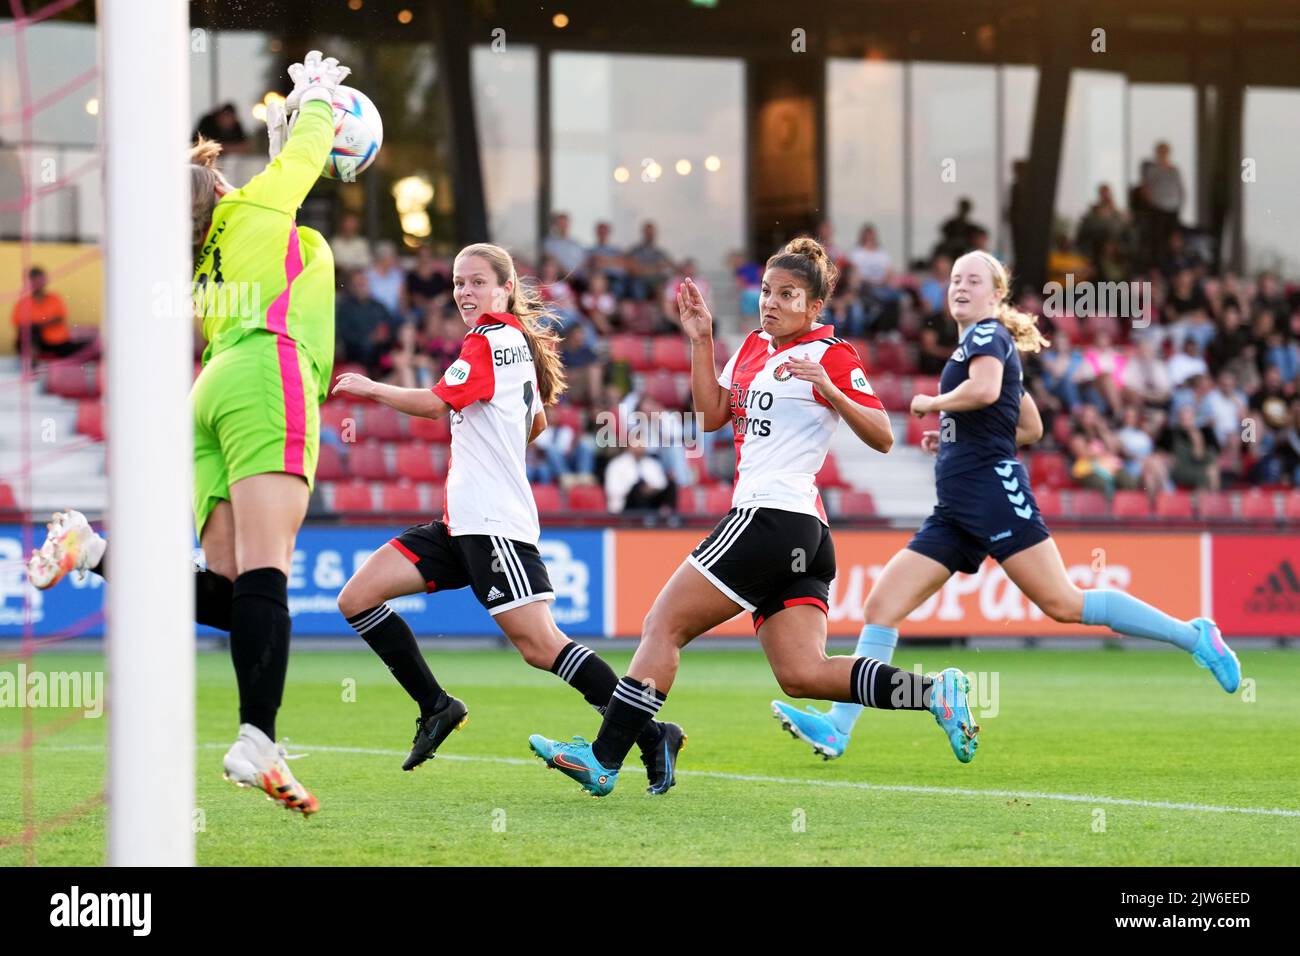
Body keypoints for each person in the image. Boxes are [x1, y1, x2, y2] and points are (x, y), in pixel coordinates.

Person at [528, 238, 980, 799]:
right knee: (803, 674)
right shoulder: (750, 348)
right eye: (767, 291)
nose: (771, 302)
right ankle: (932, 692)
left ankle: (603, 759)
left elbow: (884, 436)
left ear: (815, 306)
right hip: (800, 535)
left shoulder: (831, 353)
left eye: (788, 294)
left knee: (662, 626)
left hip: (771, 516)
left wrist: (831, 388)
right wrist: (701, 342)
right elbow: (713, 415)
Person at [28, 51, 353, 814]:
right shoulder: (254, 213)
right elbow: (309, 155)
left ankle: (95, 551)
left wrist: (277, 149)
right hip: (266, 376)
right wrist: (315, 99)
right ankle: (257, 736)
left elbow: (277, 211)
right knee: (269, 574)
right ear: (218, 189)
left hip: (208, 394)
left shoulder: (212, 245)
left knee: (231, 587)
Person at [768, 251, 1239, 762]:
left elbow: (989, 390)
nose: (960, 287)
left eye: (973, 280)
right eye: (954, 279)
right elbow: (1028, 423)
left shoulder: (988, 337)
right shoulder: (974, 345)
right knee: (883, 606)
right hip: (956, 507)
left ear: (996, 295)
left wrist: (933, 405)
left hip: (992, 493)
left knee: (1063, 603)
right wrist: (956, 439)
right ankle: (839, 727)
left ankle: (1195, 636)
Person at [330, 243, 687, 792]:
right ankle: (437, 706)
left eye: (476, 282)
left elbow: (435, 404)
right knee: (357, 597)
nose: (465, 292)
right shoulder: (512, 344)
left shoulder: (488, 341)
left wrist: (369, 387)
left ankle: (648, 735)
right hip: (461, 523)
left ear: (504, 288)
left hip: (492, 523)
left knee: (542, 646)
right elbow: (536, 422)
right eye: (458, 283)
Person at [10, 266, 78, 359]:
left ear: (45, 281)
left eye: (40, 281)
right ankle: (32, 361)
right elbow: (21, 325)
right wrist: (45, 323)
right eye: (34, 281)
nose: (38, 284)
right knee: (25, 335)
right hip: (37, 343)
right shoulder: (23, 303)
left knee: (78, 351)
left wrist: (38, 325)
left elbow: (60, 318)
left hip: (58, 341)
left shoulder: (54, 298)